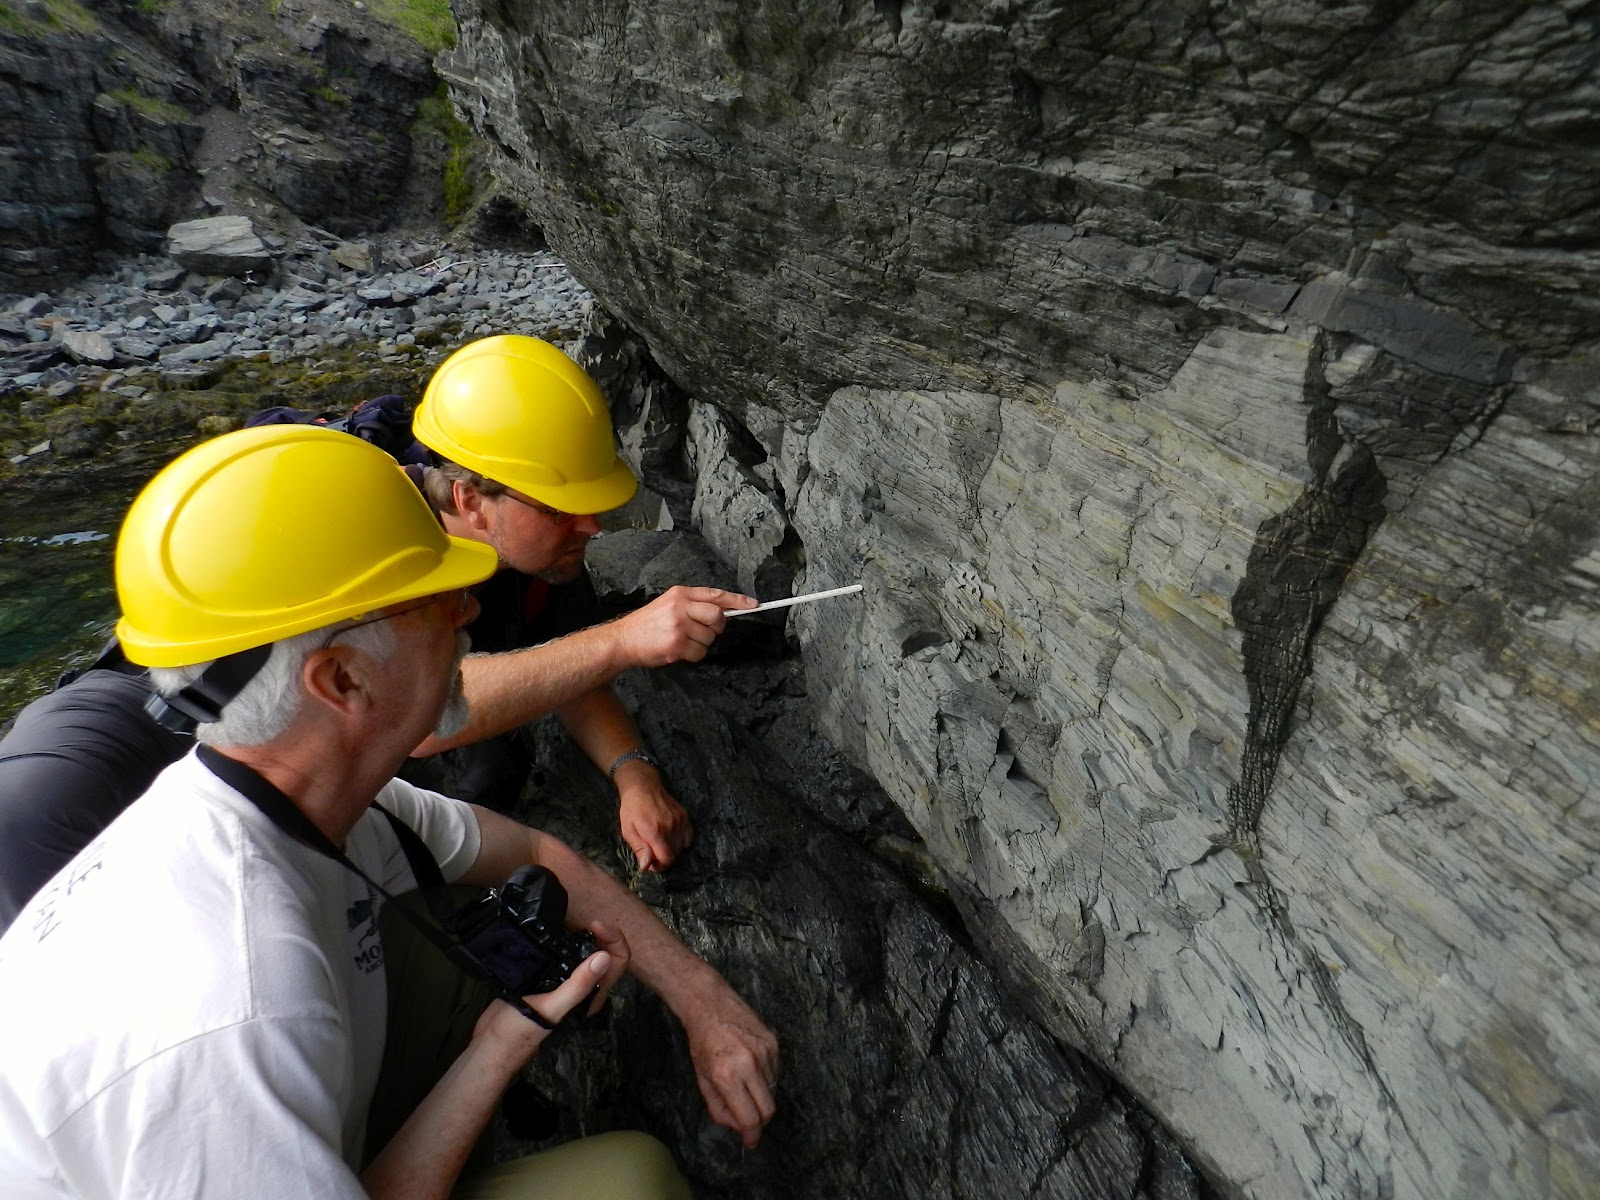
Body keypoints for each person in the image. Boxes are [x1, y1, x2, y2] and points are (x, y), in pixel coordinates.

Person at [0, 425, 778, 1198]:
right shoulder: (236, 1007)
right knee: (628, 1183)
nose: (470, 607)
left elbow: (537, 855)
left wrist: (700, 1007)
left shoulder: (305, 808)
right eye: (435, 600)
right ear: (341, 682)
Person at [407, 334, 758, 872]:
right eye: (558, 509)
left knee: (500, 773)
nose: (592, 526)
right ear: (470, 500)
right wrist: (621, 640)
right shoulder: (384, 556)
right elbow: (416, 718)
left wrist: (634, 773)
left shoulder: (542, 561)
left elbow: (571, 668)